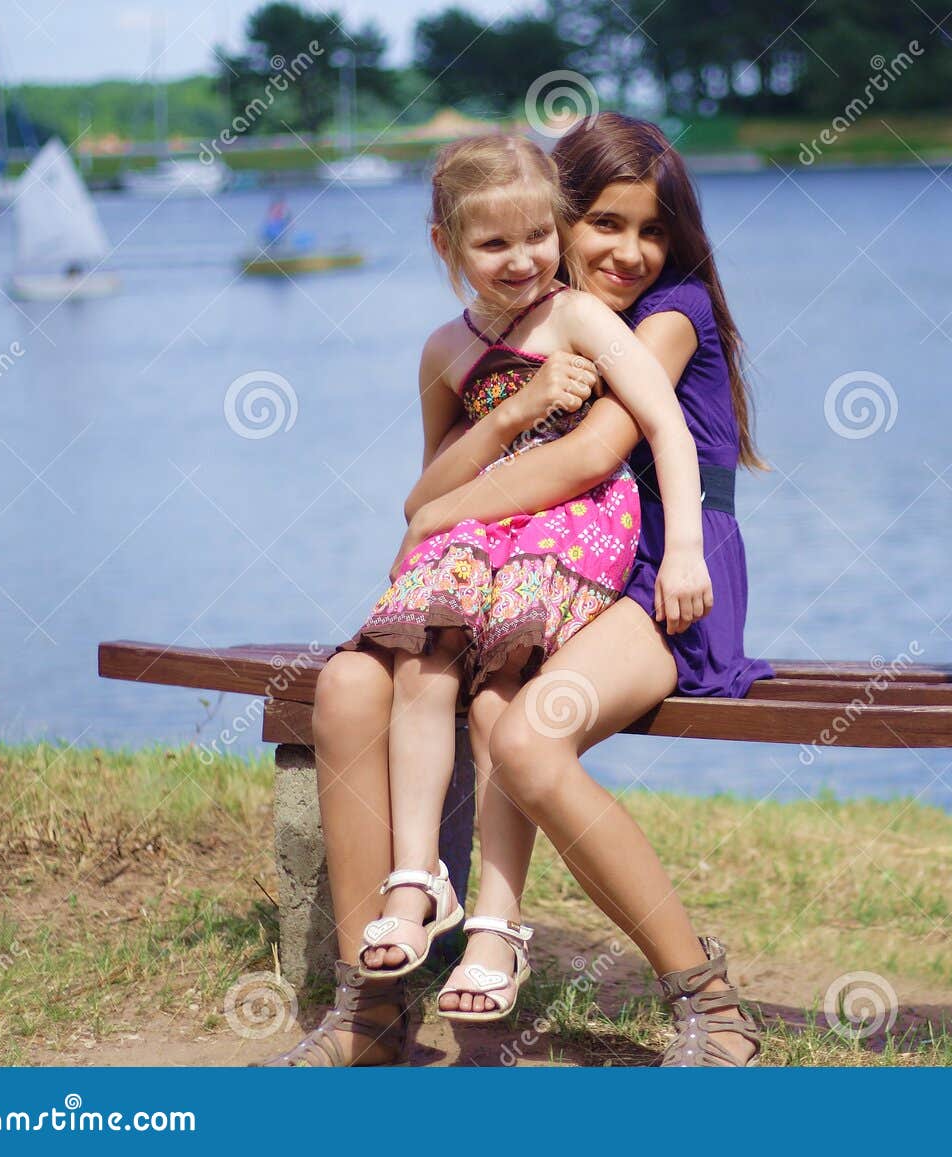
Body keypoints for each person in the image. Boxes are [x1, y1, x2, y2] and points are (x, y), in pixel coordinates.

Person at [261, 114, 768, 1066]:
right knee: (346, 688)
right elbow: (432, 490)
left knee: (528, 727)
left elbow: (585, 457)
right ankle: (370, 1002)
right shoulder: (486, 333)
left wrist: (432, 513)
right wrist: (430, 517)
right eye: (603, 225)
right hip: (502, 569)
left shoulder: (661, 314)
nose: (627, 251)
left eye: (651, 230)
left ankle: (707, 1000)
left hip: (657, 579)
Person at [329, 131, 710, 1000]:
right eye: (493, 243)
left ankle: (497, 928)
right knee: (422, 666)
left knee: (502, 696)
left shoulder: (579, 317)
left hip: (566, 537)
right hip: (478, 542)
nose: (521, 260)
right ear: (446, 246)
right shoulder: (443, 350)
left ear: (558, 228)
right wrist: (515, 413)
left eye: (537, 237)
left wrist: (682, 544)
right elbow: (428, 491)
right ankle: (417, 876)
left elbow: (663, 424)